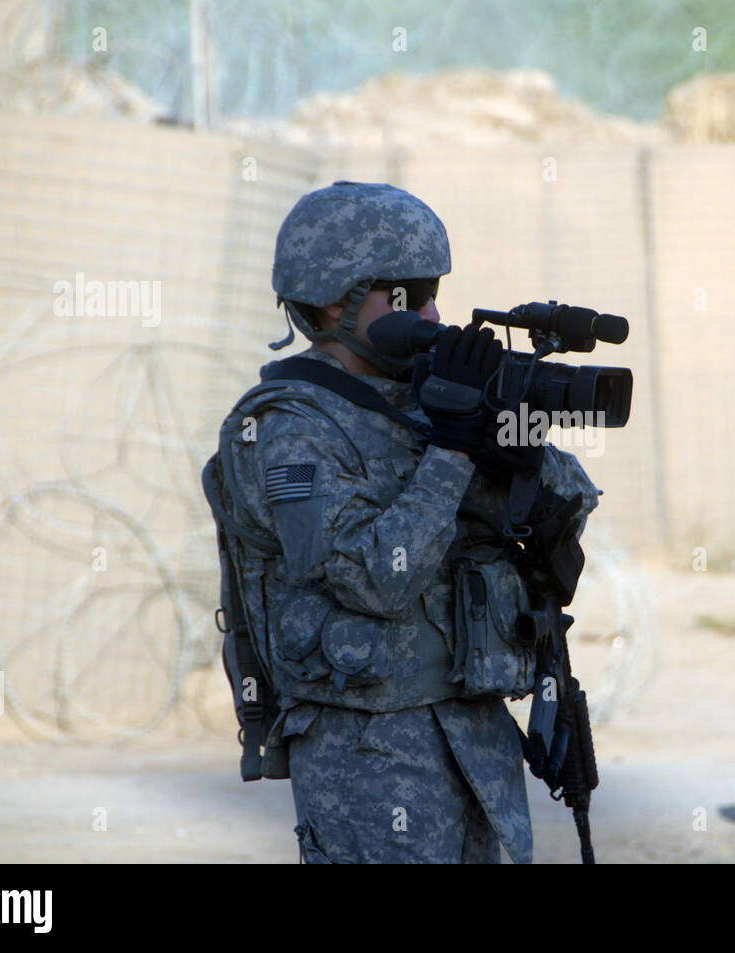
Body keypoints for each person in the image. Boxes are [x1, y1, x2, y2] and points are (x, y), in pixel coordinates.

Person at [207, 180, 601, 863]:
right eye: (410, 294)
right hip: (369, 752)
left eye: (433, 290)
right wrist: (450, 449)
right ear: (339, 299)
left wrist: (513, 444)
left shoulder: (426, 398)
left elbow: (570, 504)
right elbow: (371, 575)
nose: (432, 310)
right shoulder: (284, 427)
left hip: (473, 738)